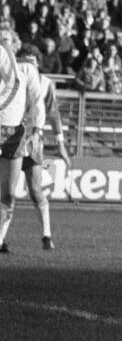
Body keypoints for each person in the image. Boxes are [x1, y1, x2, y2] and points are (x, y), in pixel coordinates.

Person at [14, 45, 71, 249]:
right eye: (25, 60)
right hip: (8, 139)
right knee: (4, 192)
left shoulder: (46, 83)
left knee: (35, 189)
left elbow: (54, 114)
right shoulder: (11, 80)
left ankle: (46, 236)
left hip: (32, 142)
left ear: (38, 63)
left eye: (32, 60)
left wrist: (61, 144)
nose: (29, 64)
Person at [0, 30, 43, 253]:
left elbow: (38, 103)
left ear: (16, 44)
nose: (5, 42)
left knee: (8, 194)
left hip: (15, 135)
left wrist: (37, 130)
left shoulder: (27, 70)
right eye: (2, 38)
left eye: (8, 39)